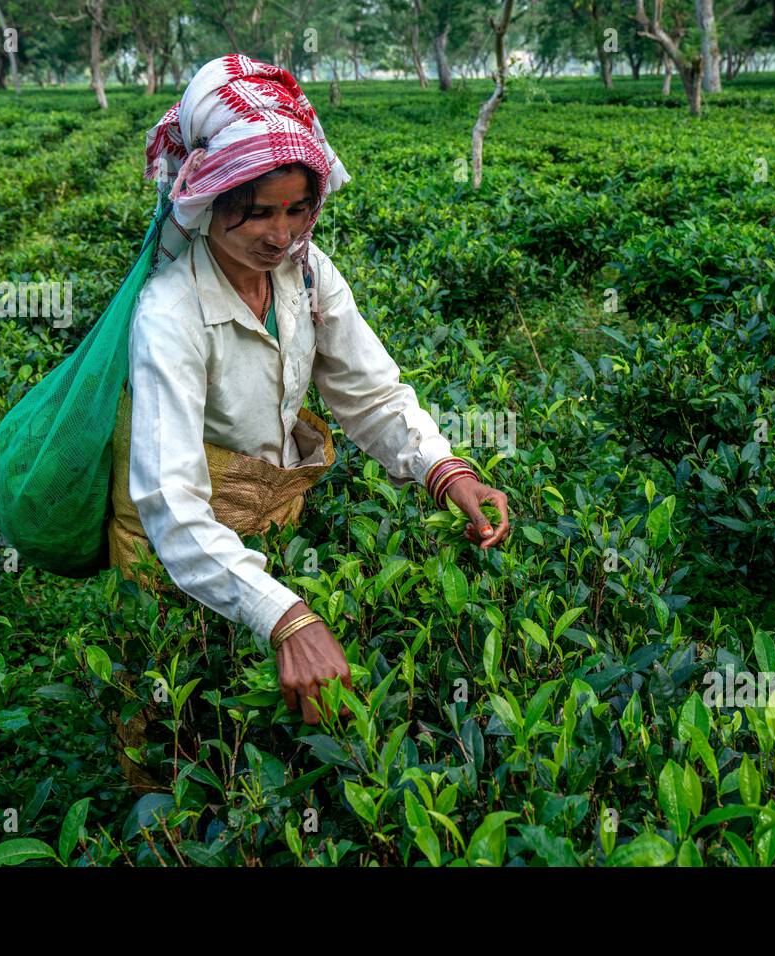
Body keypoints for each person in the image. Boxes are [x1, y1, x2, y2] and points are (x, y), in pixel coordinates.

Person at [108, 55, 512, 728]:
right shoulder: (168, 315)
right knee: (178, 719)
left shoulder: (308, 274)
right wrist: (286, 614)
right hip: (171, 553)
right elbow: (171, 505)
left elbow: (369, 392)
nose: (281, 234)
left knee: (275, 725)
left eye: (298, 210)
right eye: (257, 212)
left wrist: (443, 470)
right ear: (210, 202)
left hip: (271, 514)